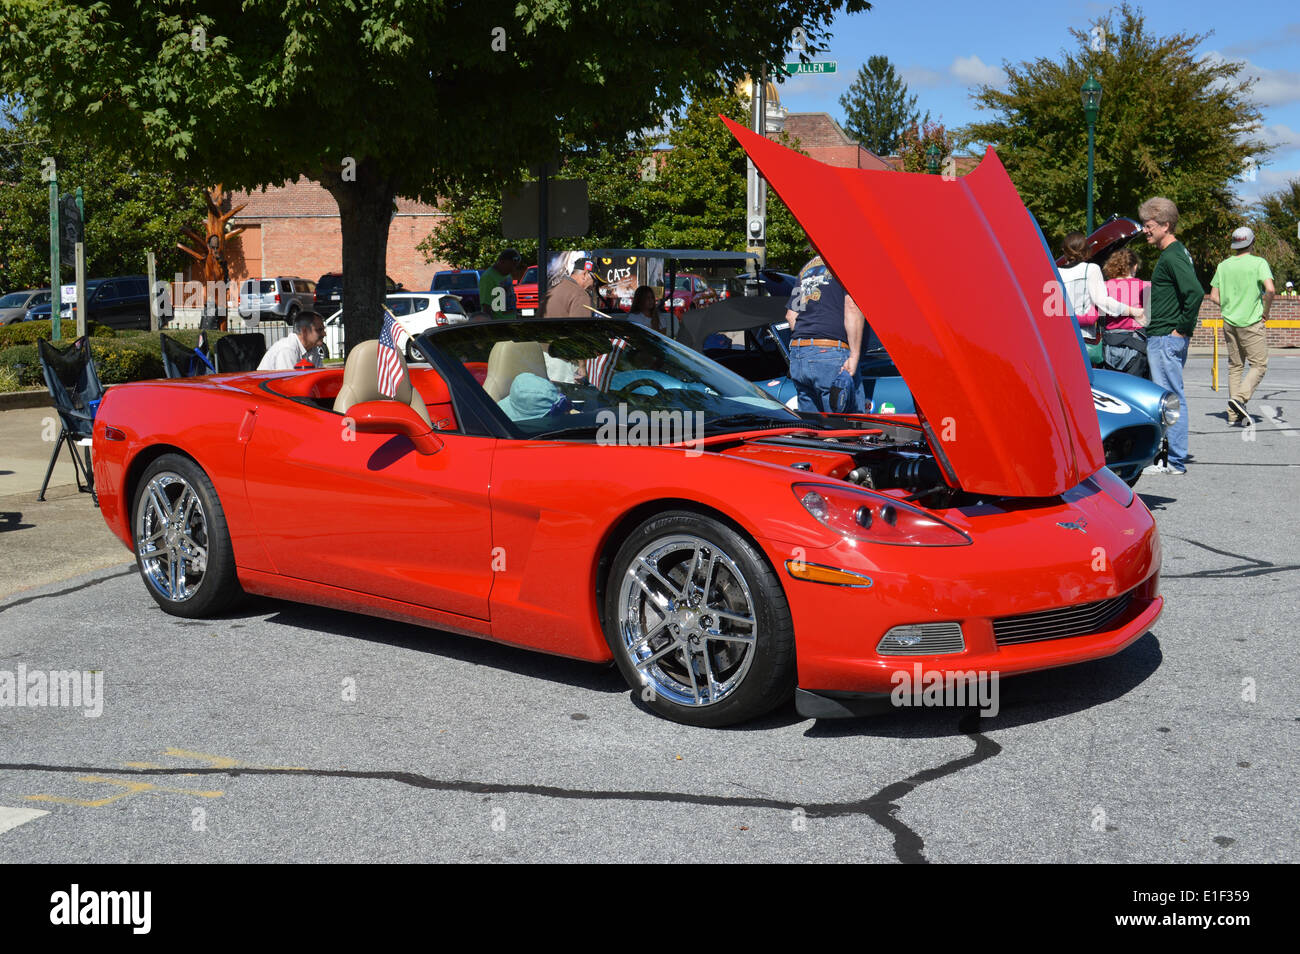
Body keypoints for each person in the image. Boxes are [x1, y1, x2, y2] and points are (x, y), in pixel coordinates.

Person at [1139, 197, 1204, 476]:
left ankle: (1173, 460)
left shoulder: (1173, 254)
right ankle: (1169, 458)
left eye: (1149, 225)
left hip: (1167, 336)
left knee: (1169, 399)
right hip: (1166, 335)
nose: (1145, 230)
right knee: (1169, 397)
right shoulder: (1175, 253)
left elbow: (1195, 292)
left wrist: (1181, 329)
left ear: (1165, 225)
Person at [784, 253, 865, 414]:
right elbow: (852, 305)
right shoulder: (846, 263)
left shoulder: (807, 267)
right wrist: (855, 355)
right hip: (830, 352)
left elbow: (791, 315)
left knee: (814, 429)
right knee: (845, 428)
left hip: (799, 353)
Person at [1210, 226, 1275, 425]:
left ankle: (1232, 414)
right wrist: (1265, 312)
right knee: (1259, 365)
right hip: (1251, 322)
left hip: (1229, 322)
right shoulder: (1258, 263)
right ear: (1252, 242)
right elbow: (1270, 290)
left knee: (1235, 366)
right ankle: (1240, 399)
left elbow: (1213, 296)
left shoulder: (1223, 265)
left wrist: (1230, 305)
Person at [1057, 233, 1143, 365]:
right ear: (1086, 250)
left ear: (1064, 250)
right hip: (1083, 336)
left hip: (1059, 336)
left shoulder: (1055, 271)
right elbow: (1102, 300)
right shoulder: (1091, 269)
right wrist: (1131, 310)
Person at [1100, 248, 1150, 377]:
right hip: (1136, 342)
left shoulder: (1106, 286)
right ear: (1135, 266)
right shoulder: (1143, 285)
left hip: (1111, 343)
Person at [258, 311, 325, 370]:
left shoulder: (312, 348)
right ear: (304, 331)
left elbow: (318, 377)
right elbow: (289, 382)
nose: (324, 334)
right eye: (319, 330)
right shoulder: (287, 349)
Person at [478, 249, 523, 319]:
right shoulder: (488, 277)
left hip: (511, 323)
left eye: (515, 266)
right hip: (499, 325)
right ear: (502, 262)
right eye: (511, 266)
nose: (513, 269)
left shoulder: (507, 275)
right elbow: (486, 307)